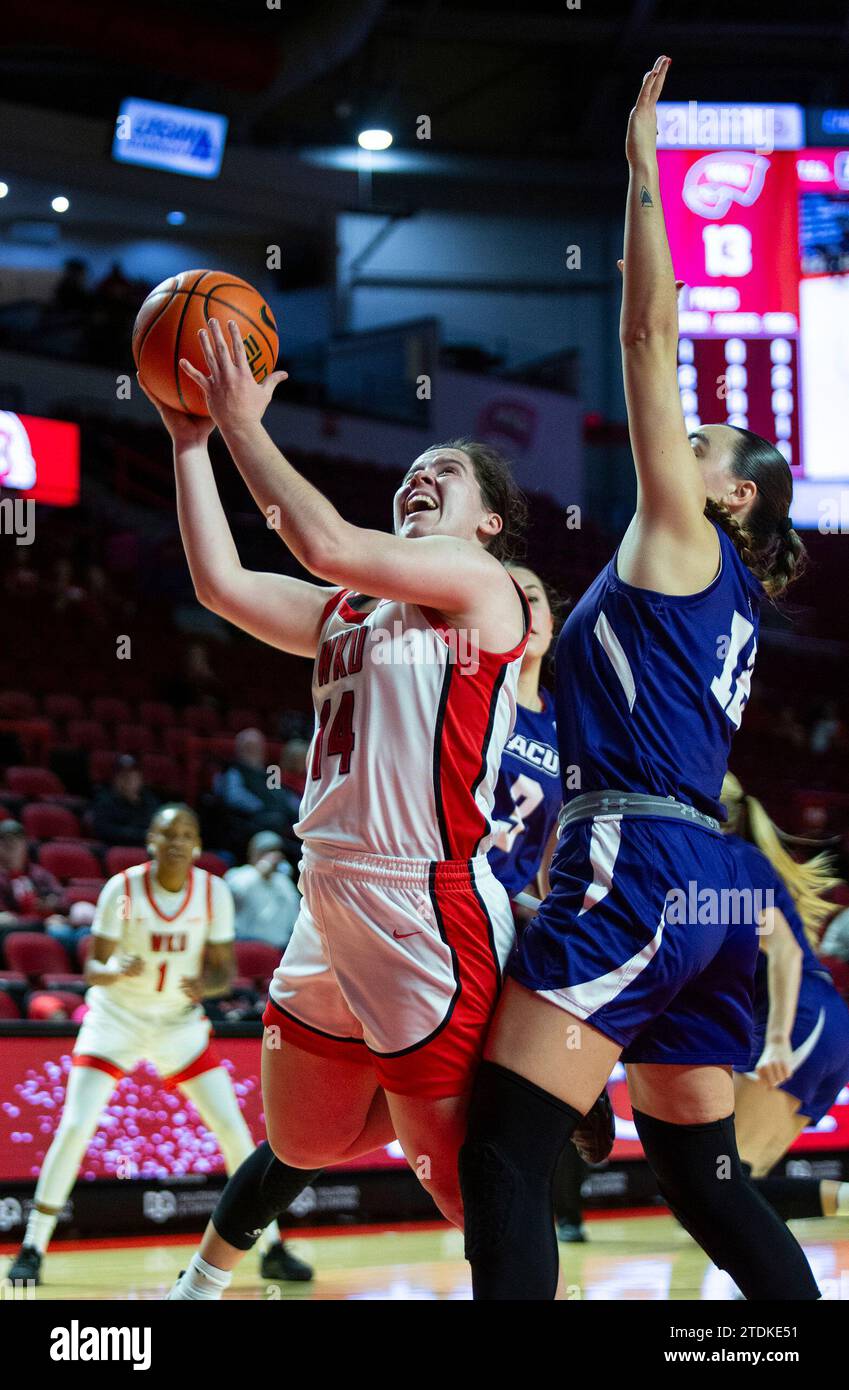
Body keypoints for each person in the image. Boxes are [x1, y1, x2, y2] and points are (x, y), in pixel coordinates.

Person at [456, 56, 818, 1301]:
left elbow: (648, 331)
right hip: (715, 888)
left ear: (731, 493)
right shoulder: (722, 599)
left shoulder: (684, 538)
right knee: (708, 1181)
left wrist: (643, 174)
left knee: (500, 1151)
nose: (686, 431)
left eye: (707, 443)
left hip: (644, 862)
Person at [137, 304, 588, 1296]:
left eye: (448, 472)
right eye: (411, 468)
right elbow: (218, 584)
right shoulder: (351, 608)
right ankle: (462, 1076)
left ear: (490, 523)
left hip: (426, 906)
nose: (418, 474)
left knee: (476, 1193)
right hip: (328, 899)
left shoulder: (484, 588)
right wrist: (191, 441)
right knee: (301, 1136)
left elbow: (324, 537)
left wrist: (242, 418)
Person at [5, 803, 310, 1287]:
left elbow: (223, 971)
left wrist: (205, 989)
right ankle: (33, 1247)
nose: (177, 841)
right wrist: (116, 969)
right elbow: (93, 969)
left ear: (196, 844)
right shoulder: (123, 891)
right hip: (117, 1020)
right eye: (168, 833)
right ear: (151, 840)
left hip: (178, 1024)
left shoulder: (213, 893)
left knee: (234, 1131)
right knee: (77, 1124)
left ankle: (271, 1247)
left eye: (187, 833)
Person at [722, 773, 849, 1223]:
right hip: (804, 1019)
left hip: (798, 1020)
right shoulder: (724, 861)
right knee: (725, 1187)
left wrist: (776, 1040)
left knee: (723, 1184)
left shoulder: (733, 861)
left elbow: (784, 949)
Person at [213, 728, 296, 854]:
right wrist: (263, 809)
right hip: (250, 823)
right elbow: (235, 796)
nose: (254, 751)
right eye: (249, 747)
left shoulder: (270, 771)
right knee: (277, 821)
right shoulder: (233, 771)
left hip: (278, 818)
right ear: (239, 749)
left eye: (257, 747)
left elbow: (283, 795)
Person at [225, 831, 300, 950]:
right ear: (253, 853)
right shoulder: (239, 875)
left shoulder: (283, 881)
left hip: (279, 948)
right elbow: (234, 894)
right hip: (247, 944)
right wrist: (260, 871)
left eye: (276, 851)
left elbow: (295, 917)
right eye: (266, 851)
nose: (273, 856)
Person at [0, 820, 65, 923]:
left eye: (16, 841)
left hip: (47, 924)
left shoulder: (39, 874)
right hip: (15, 927)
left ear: (25, 845)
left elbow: (64, 899)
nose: (11, 846)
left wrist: (52, 903)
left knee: (81, 912)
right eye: (5, 842)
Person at [91, 754, 161, 847]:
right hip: (115, 850)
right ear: (115, 779)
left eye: (132, 776)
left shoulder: (150, 800)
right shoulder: (104, 800)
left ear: (140, 779)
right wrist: (138, 834)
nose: (127, 781)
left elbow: (158, 829)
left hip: (145, 850)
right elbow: (104, 830)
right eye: (123, 776)